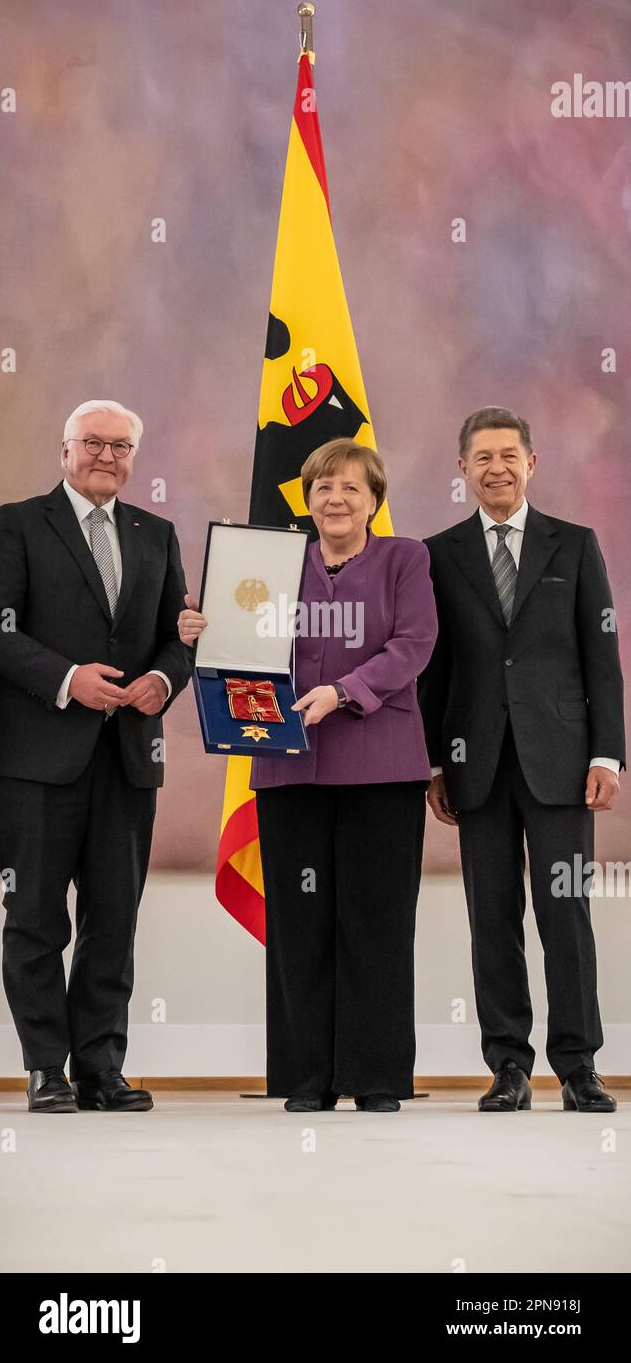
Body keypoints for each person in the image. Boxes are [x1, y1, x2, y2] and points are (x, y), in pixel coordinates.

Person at [179, 437, 437, 1112]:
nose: (335, 498)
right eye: (322, 487)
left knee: (376, 924)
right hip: (286, 767)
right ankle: (308, 1080)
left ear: (374, 499)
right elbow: (239, 645)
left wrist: (344, 691)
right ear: (308, 499)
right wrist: (203, 630)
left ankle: (376, 1078)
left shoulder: (405, 558)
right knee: (301, 923)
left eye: (350, 487)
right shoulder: (271, 566)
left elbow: (414, 644)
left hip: (382, 771)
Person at [418, 407, 625, 1113]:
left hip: (562, 762)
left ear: (531, 464)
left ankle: (579, 1066)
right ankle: (507, 1064)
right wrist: (436, 765)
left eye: (509, 456)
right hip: (476, 764)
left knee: (564, 913)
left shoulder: (574, 545)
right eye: (482, 458)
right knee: (492, 915)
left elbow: (603, 664)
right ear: (463, 469)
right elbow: (434, 668)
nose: (497, 468)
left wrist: (608, 755)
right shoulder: (438, 554)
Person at [0, 400, 194, 1113]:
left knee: (114, 918)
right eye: (93, 443)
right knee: (37, 916)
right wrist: (66, 680)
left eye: (121, 445)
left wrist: (163, 679)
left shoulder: (157, 534)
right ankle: (47, 1067)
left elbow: (181, 635)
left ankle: (101, 1066)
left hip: (128, 761)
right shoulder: (16, 524)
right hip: (35, 759)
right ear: (65, 448)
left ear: (135, 456)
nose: (107, 455)